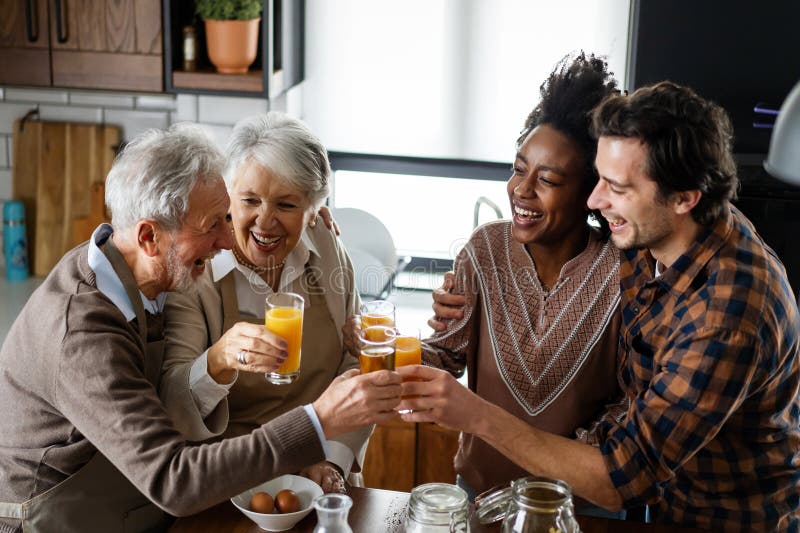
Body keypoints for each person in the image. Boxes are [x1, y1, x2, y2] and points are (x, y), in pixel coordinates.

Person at [401, 81, 800, 531]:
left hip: (726, 522)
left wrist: (477, 415)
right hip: (661, 505)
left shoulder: (726, 313)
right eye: (598, 178)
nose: (594, 201)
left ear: (685, 198)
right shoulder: (659, 243)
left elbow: (623, 478)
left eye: (616, 187)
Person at [0, 123, 401, 533]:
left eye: (287, 204)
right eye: (215, 223)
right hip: (63, 521)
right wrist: (314, 420)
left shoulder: (143, 273)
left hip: (139, 508)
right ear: (149, 238)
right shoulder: (83, 334)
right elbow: (175, 478)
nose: (229, 239)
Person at [402, 53, 625, 500]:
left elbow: (626, 409)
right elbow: (445, 359)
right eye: (519, 169)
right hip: (479, 495)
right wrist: (386, 346)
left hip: (579, 507)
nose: (522, 190)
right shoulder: (484, 250)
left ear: (590, 190)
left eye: (548, 179)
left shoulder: (623, 272)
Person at [160, 112, 368, 493]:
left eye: (286, 206)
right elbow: (173, 403)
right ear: (228, 193)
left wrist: (333, 460)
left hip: (322, 474)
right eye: (250, 200)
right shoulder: (196, 271)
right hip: (231, 480)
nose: (265, 221)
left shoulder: (325, 243)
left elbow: (356, 363)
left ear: (314, 210)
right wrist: (219, 359)